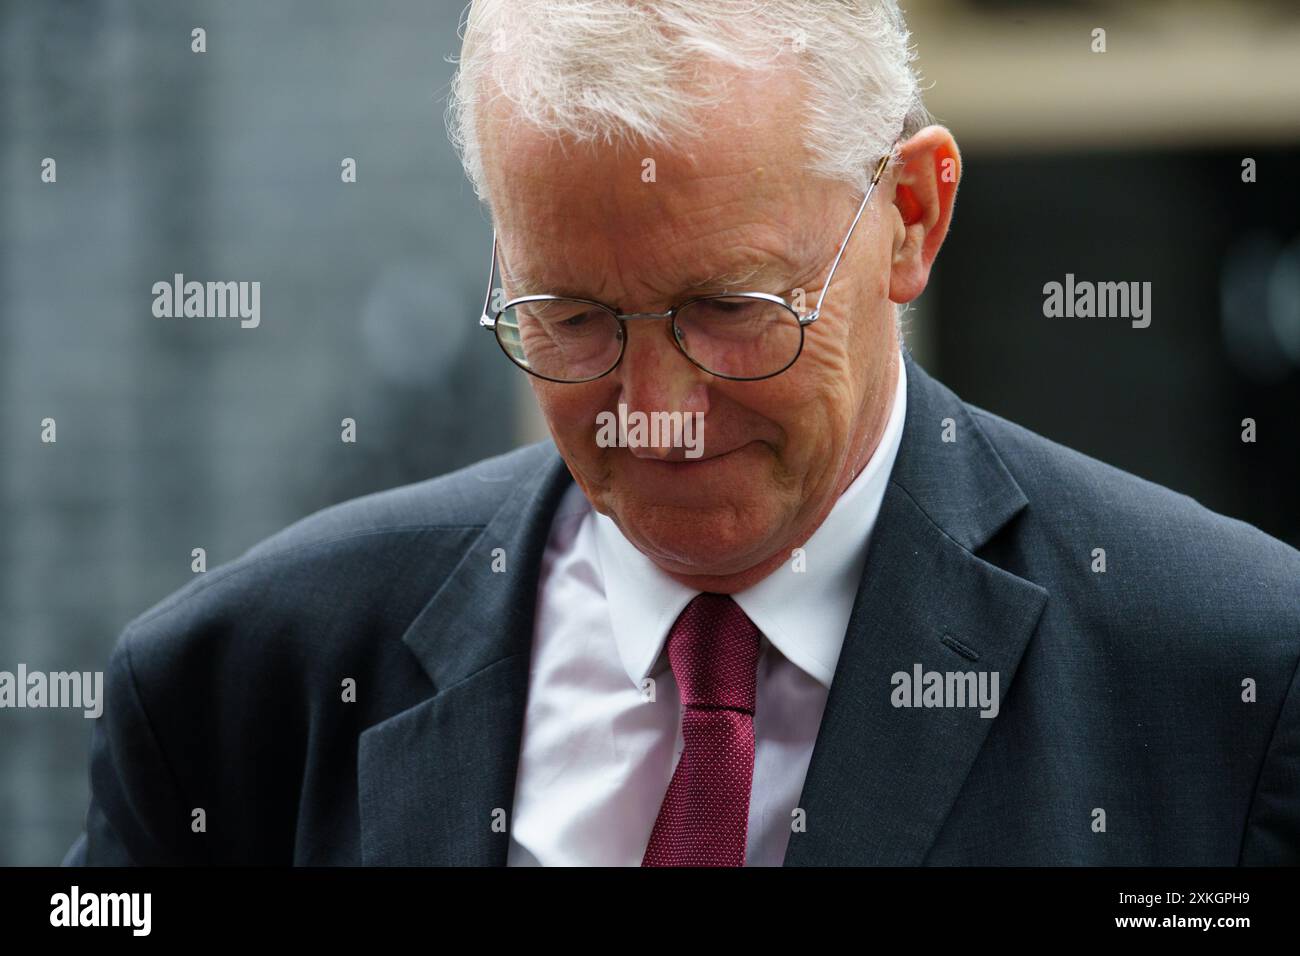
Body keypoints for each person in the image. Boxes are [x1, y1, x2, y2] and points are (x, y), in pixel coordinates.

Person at [66, 0, 1300, 866]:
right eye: (572, 317)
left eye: (730, 310)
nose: (655, 402)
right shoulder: (237, 688)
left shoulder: (1229, 679)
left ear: (912, 218)